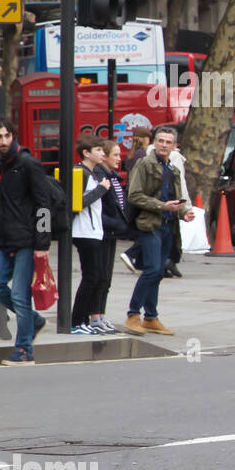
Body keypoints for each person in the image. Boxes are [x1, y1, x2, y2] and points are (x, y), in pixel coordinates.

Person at [125, 125, 195, 336]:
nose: (164, 145)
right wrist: (161, 206)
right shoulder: (144, 164)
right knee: (152, 270)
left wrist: (183, 212)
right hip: (150, 224)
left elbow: (174, 198)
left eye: (168, 142)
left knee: (158, 274)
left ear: (174, 146)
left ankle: (151, 317)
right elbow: (134, 195)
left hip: (168, 226)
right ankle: (133, 314)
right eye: (161, 141)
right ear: (154, 142)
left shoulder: (172, 169)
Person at [0, 117, 52, 365]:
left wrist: (42, 244)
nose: (4, 141)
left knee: (19, 295)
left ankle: (24, 349)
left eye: (7, 135)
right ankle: (35, 321)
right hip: (1, 239)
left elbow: (44, 205)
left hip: (27, 240)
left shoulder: (28, 164)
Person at [69, 134, 115, 334]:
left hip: (94, 231)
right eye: (97, 150)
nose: (102, 153)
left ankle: (84, 320)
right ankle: (77, 321)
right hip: (84, 232)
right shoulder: (80, 172)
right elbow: (76, 203)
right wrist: (101, 190)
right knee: (91, 277)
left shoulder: (93, 173)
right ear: (86, 153)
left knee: (96, 277)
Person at [96, 138, 129, 334]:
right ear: (104, 157)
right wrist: (118, 223)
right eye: (115, 155)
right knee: (99, 277)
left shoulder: (113, 177)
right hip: (102, 232)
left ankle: (101, 315)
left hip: (112, 232)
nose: (119, 158)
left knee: (106, 278)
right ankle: (95, 317)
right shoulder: (102, 177)